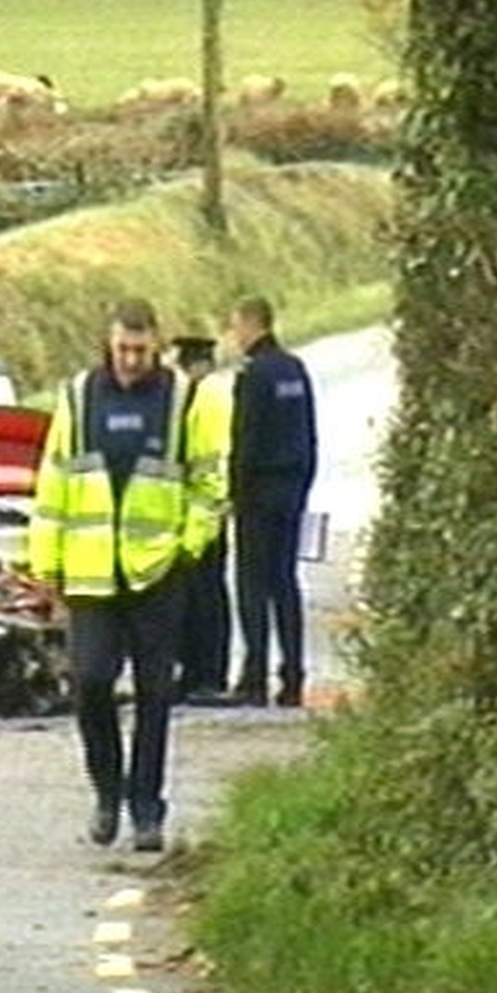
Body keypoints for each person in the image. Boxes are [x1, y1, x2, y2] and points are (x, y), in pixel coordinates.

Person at [28, 299, 224, 852]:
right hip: (91, 576)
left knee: (155, 693)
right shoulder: (78, 397)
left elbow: (209, 484)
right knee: (90, 684)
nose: (131, 360)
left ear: (157, 345)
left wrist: (188, 546)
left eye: (140, 350)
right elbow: (53, 485)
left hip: (156, 572)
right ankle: (106, 793)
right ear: (107, 344)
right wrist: (46, 566)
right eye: (122, 349)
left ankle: (146, 809)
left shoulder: (186, 400)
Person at [226, 295, 317, 708]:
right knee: (285, 582)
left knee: (251, 585)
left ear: (251, 324)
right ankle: (294, 675)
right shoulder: (295, 369)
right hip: (292, 488)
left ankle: (256, 675)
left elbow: (245, 440)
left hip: (259, 492)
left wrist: (235, 494)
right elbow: (309, 434)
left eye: (236, 327)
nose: (235, 336)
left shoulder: (254, 375)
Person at [166, 334, 235, 705]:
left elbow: (203, 457)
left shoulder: (204, 397)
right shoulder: (220, 393)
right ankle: (201, 673)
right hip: (207, 506)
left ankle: (205, 674)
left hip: (203, 508)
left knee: (204, 598)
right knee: (203, 596)